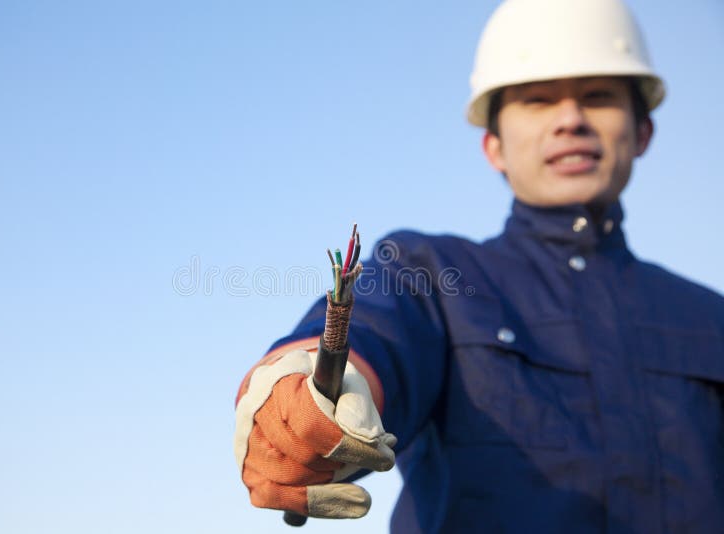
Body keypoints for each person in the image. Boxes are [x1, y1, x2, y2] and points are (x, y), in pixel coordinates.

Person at [234, 0, 724, 531]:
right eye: (537, 100)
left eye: (598, 96)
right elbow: (374, 335)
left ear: (643, 130)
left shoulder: (710, 318)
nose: (571, 120)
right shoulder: (432, 274)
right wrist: (304, 395)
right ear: (494, 146)